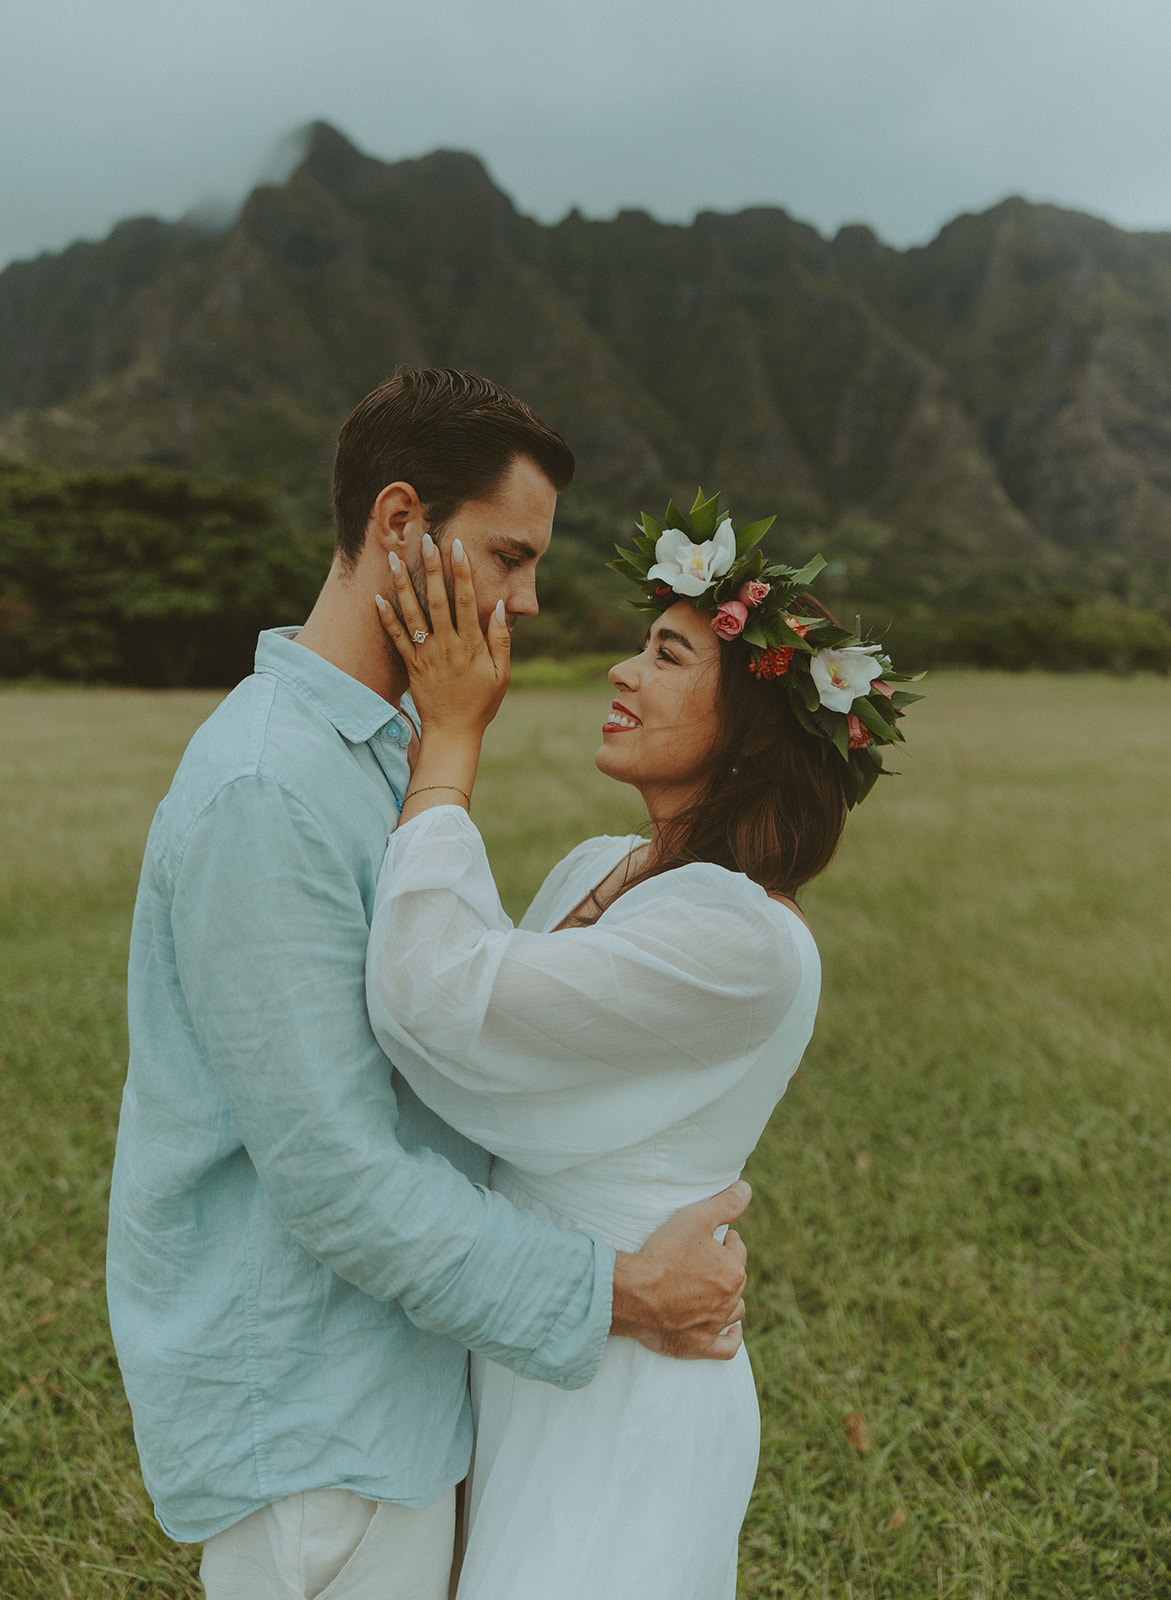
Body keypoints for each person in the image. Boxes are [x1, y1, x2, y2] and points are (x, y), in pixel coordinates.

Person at [106, 372, 752, 1600]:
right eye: (510, 556)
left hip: (390, 1403)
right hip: (316, 1438)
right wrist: (623, 1293)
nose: (530, 599)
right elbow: (337, 1178)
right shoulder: (269, 788)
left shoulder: (381, 758)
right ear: (399, 522)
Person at [365, 491, 922, 1599]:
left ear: (752, 730)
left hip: (631, 1381)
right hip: (532, 1347)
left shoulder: (741, 940)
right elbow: (474, 1046)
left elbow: (437, 1001)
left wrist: (451, 747)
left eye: (666, 655)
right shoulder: (598, 866)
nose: (622, 671)